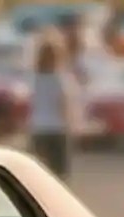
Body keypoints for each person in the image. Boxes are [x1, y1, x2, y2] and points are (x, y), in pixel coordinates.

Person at [28, 32, 80, 179]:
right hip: (57, 129)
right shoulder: (60, 79)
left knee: (39, 173)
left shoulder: (34, 79)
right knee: (59, 174)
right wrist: (72, 125)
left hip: (38, 128)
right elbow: (63, 105)